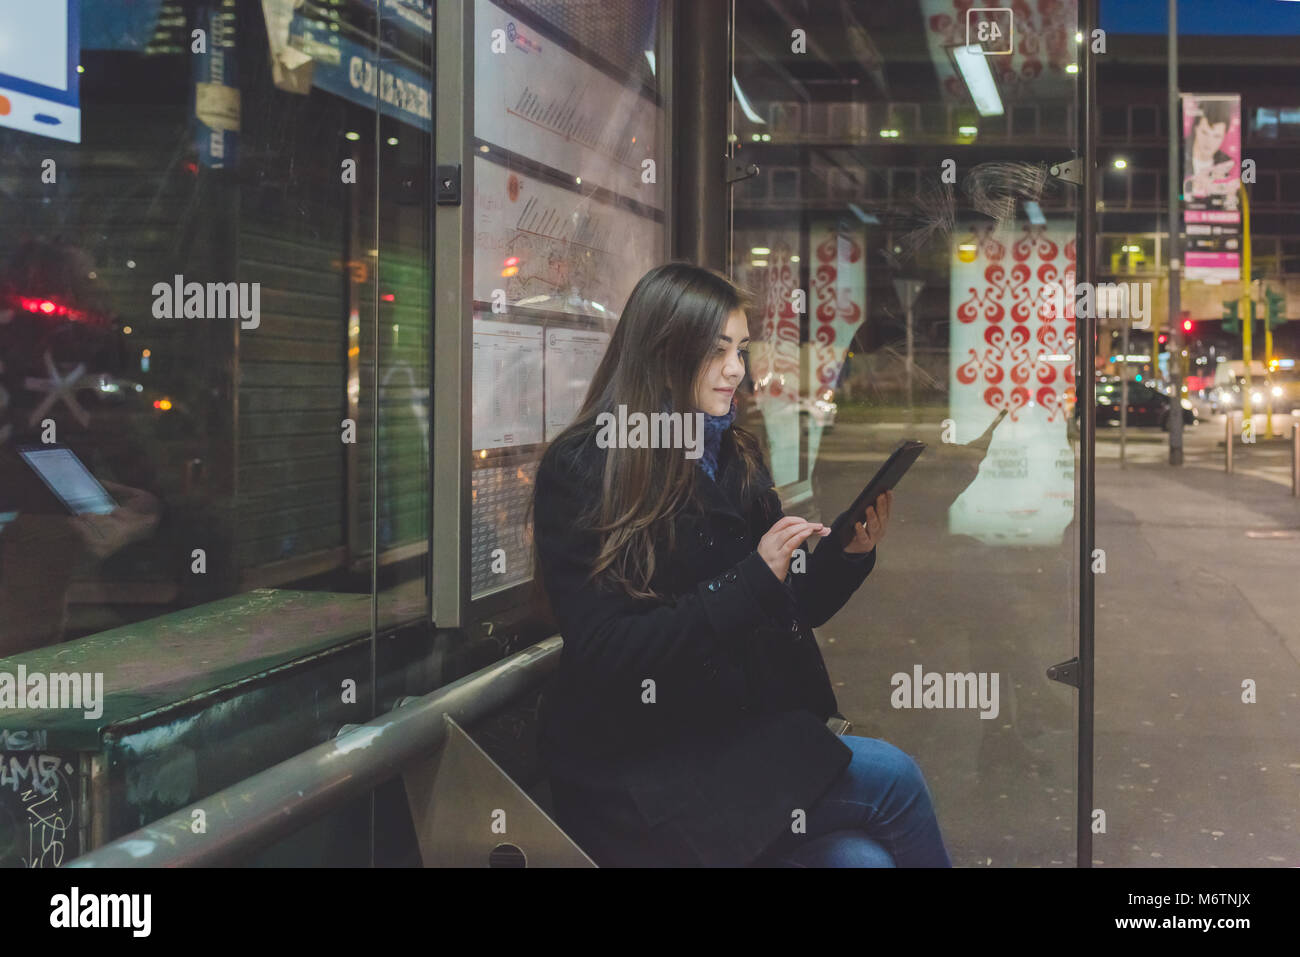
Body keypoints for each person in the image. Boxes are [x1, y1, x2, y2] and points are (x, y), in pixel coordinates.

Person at [528, 262, 951, 867]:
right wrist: (750, 579)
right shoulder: (589, 465)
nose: (736, 369)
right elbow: (606, 650)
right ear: (665, 349)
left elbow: (783, 603)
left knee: (861, 862)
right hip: (645, 771)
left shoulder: (730, 451)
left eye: (742, 349)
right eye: (717, 350)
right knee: (893, 780)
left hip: (729, 736)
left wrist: (844, 557)